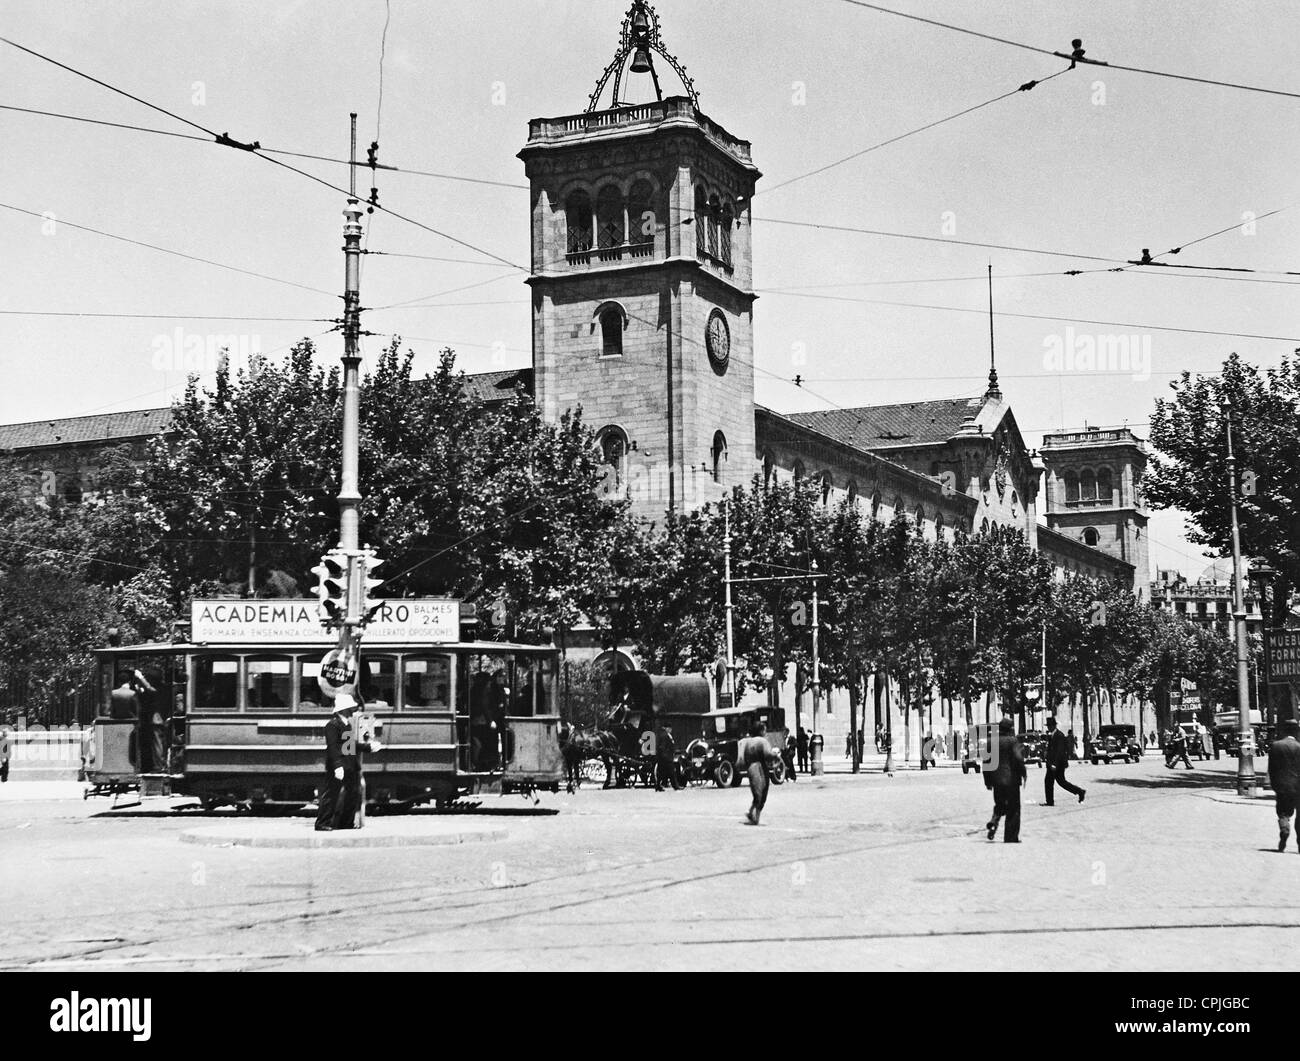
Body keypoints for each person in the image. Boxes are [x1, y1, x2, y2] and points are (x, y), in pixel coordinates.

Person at [983, 717, 1027, 843]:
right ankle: (1010, 837)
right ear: (1010, 729)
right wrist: (1023, 773)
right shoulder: (1013, 741)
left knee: (1000, 804)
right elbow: (1018, 759)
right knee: (1013, 809)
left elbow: (986, 763)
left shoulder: (990, 742)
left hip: (996, 781)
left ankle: (994, 819)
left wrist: (987, 781)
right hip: (1012, 780)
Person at [738, 721, 779, 825]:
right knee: (762, 792)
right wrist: (775, 755)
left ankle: (753, 814)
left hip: (751, 767)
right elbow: (768, 754)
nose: (766, 731)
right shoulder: (762, 741)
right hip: (761, 768)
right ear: (761, 730)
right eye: (764, 729)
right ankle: (755, 816)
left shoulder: (747, 742)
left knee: (756, 792)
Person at [1269, 719, 1300, 853]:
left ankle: (1284, 828)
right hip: (1298, 787)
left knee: (1283, 812)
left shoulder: (1276, 746)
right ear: (1296, 731)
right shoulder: (1299, 747)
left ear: (1284, 730)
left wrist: (1274, 784)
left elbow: (1272, 768)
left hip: (1282, 786)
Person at [1043, 716, 1085, 806]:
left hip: (1057, 764)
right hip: (1052, 763)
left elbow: (1060, 752)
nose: (1048, 727)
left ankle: (1050, 802)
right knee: (1058, 781)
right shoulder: (1052, 735)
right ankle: (1079, 791)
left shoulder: (1059, 735)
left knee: (1056, 781)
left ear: (1054, 726)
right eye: (1048, 726)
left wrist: (1055, 764)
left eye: (1050, 726)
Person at [654, 725, 678, 791]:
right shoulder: (665, 736)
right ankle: (675, 786)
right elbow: (663, 747)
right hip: (665, 758)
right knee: (671, 772)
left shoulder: (663, 735)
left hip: (662, 757)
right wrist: (666, 756)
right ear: (667, 728)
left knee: (661, 772)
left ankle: (658, 786)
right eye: (670, 728)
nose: (671, 730)